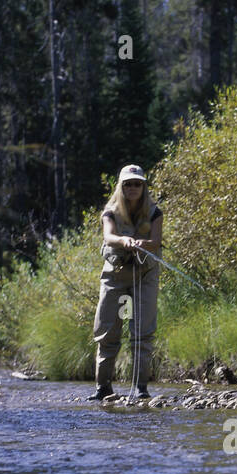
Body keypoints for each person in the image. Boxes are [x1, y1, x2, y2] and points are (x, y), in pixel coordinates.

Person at [88, 164, 163, 401]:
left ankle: (140, 388)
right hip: (115, 274)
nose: (132, 188)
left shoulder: (154, 212)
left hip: (145, 274)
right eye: (128, 184)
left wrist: (141, 244)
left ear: (144, 186)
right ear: (121, 187)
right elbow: (108, 236)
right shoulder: (110, 211)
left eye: (137, 184)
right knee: (107, 331)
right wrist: (123, 240)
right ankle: (103, 388)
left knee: (142, 331)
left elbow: (156, 241)